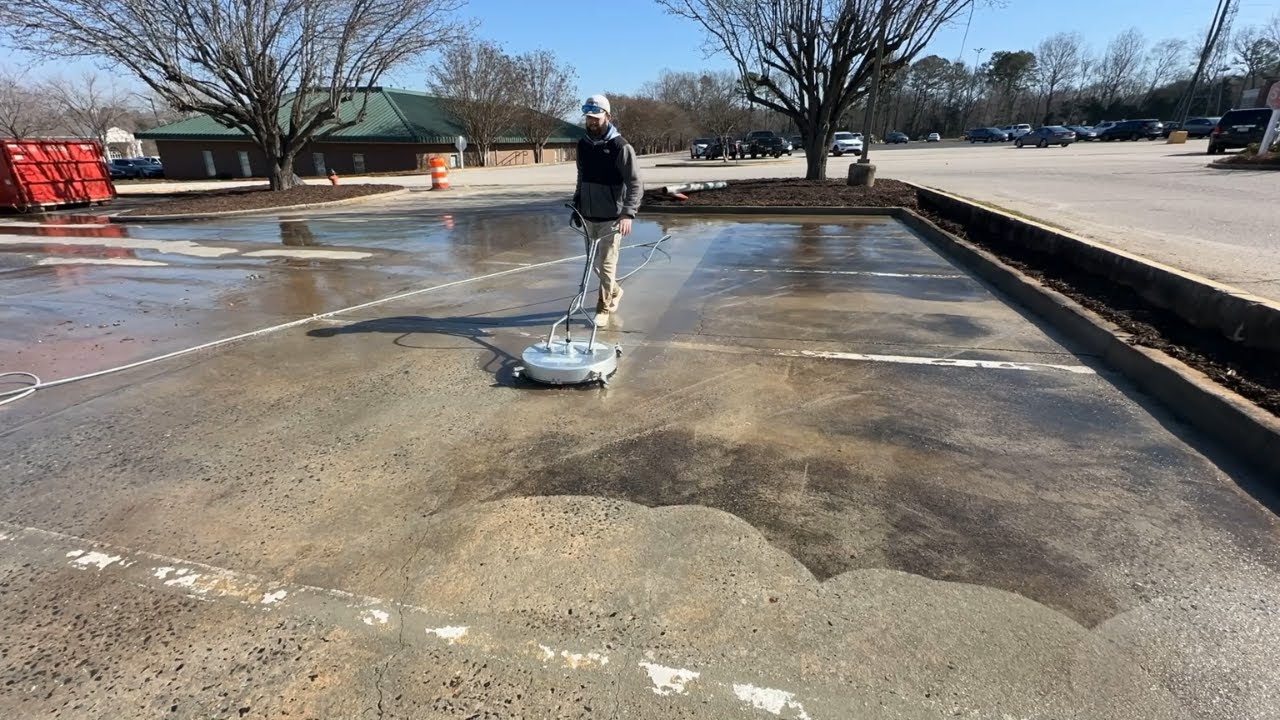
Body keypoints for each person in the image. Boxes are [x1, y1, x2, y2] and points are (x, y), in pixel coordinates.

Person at [571, 94, 643, 320]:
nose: (592, 122)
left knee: (607, 265)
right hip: (588, 216)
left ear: (608, 116)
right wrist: (577, 203)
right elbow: (581, 176)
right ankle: (615, 291)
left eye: (596, 117)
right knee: (595, 265)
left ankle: (603, 307)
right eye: (588, 118)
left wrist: (627, 214)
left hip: (611, 218)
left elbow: (635, 183)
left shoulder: (620, 147)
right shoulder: (583, 145)